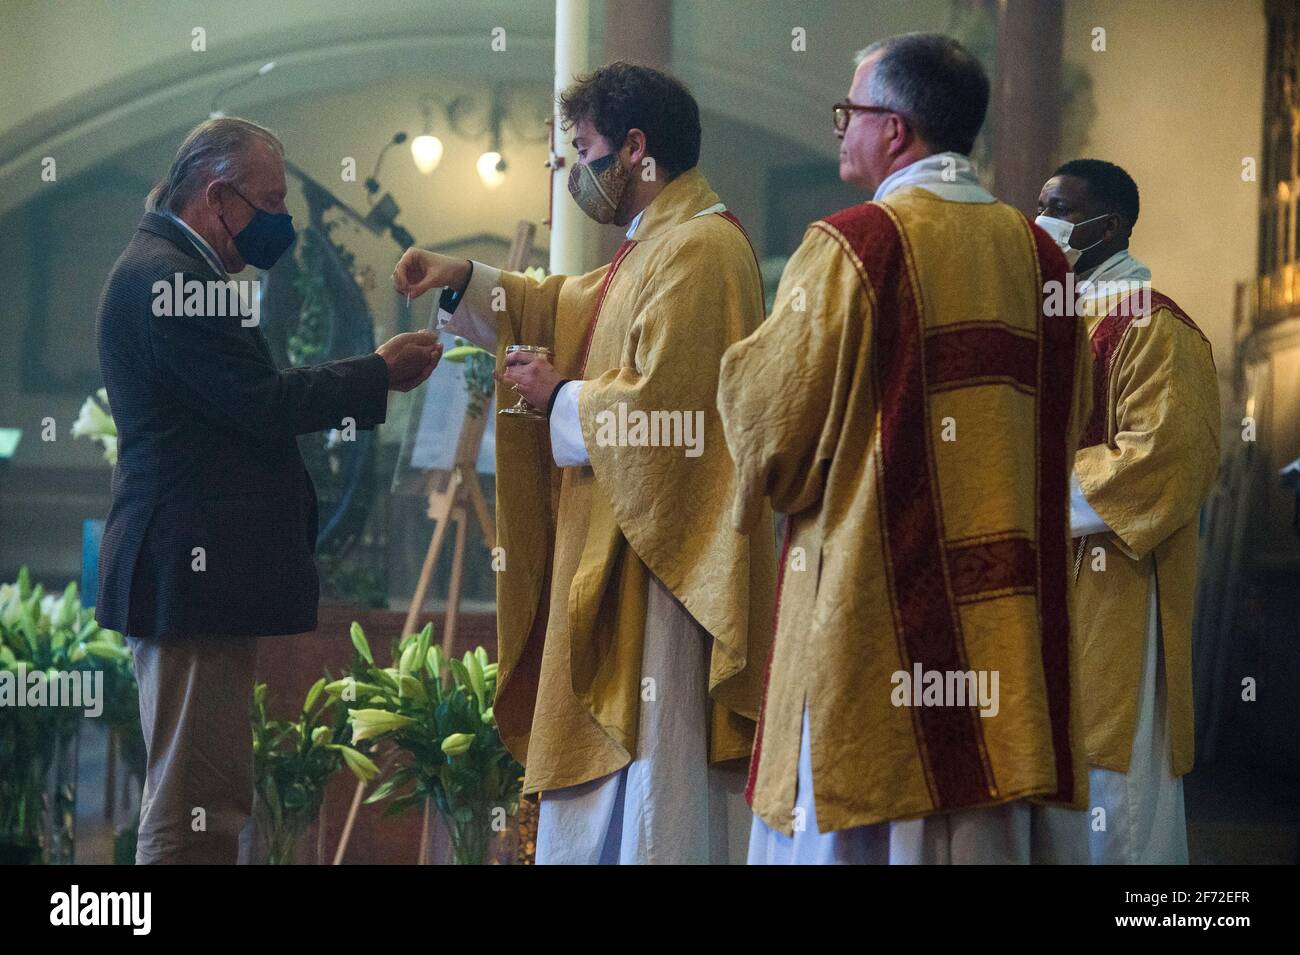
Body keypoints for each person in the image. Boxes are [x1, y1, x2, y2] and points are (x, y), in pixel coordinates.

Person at [717, 33, 1093, 864]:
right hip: (1005, 625)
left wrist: (737, 372)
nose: (840, 128)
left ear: (896, 131)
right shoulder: (1042, 257)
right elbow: (1071, 422)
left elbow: (775, 437)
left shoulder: (856, 244)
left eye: (850, 112)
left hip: (870, 613)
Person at [394, 62, 775, 864]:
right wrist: (463, 278)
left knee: (650, 808)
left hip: (659, 580)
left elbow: (671, 415)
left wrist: (562, 394)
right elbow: (565, 304)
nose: (571, 169)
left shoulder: (702, 249)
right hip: (616, 553)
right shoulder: (657, 245)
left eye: (582, 147)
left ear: (635, 149)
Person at [95, 117, 442, 863]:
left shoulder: (175, 269)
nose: (281, 220)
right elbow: (264, 403)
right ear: (217, 197)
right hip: (187, 573)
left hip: (195, 575)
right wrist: (376, 372)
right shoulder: (170, 280)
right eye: (270, 200)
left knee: (208, 796)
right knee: (194, 806)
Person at [1036, 159, 1219, 864]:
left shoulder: (1153, 325)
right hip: (1045, 588)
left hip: (1117, 596)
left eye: (1058, 205)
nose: (1042, 216)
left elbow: (1162, 460)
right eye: (1041, 201)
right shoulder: (1055, 314)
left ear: (1107, 225)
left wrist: (1030, 492)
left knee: (1115, 804)